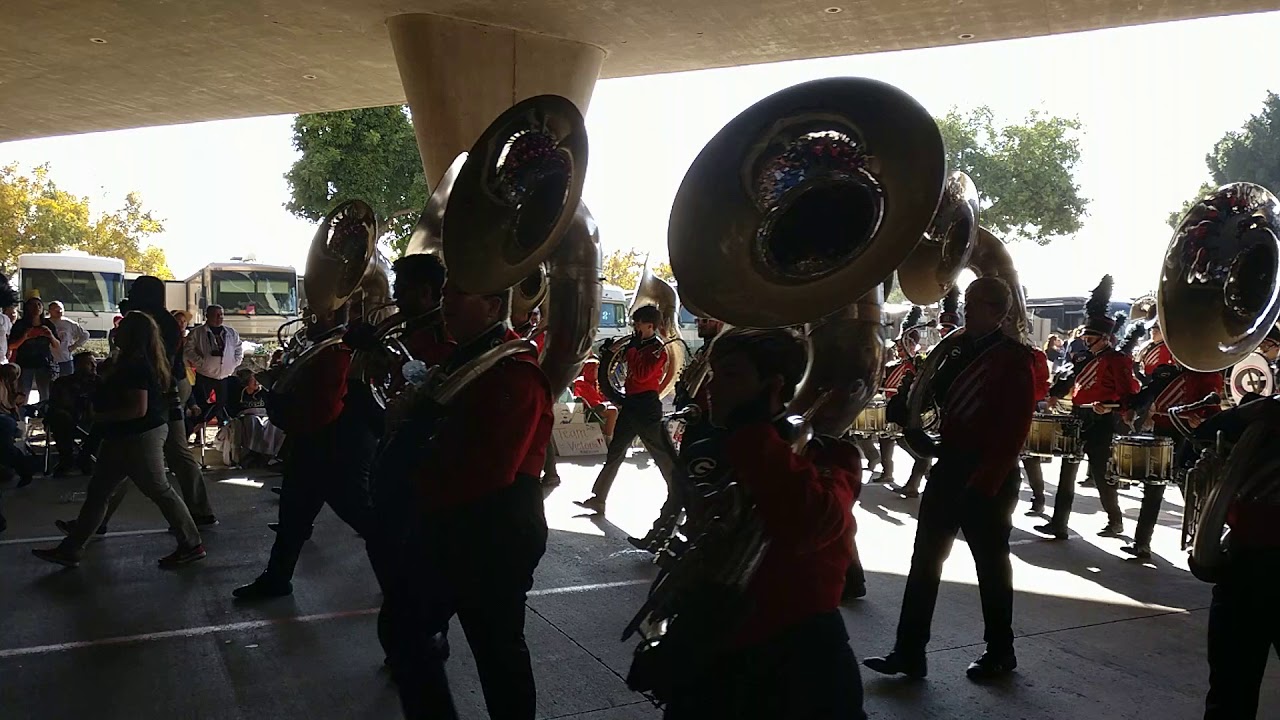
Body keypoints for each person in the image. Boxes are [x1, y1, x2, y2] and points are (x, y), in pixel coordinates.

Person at [651, 327, 866, 719]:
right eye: (713, 374)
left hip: (797, 658)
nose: (712, 387)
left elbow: (812, 523)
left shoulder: (832, 458)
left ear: (773, 387)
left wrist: (755, 434)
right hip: (720, 640)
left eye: (730, 375)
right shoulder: (717, 448)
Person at [387, 282, 551, 719]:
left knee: (497, 654)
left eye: (460, 293)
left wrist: (415, 451)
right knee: (404, 631)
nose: (445, 303)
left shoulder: (512, 371)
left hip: (490, 533)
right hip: (451, 525)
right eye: (443, 292)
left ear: (494, 304)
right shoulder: (466, 359)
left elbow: (484, 472)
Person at [863, 277, 1035, 681]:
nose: (968, 309)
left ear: (999, 312)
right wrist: (906, 405)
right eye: (969, 301)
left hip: (988, 472)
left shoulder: (1014, 358)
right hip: (951, 464)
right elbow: (932, 395)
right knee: (924, 560)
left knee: (990, 565)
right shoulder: (956, 349)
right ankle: (908, 651)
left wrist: (984, 483)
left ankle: (1000, 651)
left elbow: (1014, 431)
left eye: (978, 303)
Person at [33, 312, 206, 568]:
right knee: (99, 491)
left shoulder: (135, 366)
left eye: (123, 328)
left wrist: (100, 416)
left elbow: (138, 409)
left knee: (157, 489)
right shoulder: (135, 362)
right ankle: (72, 548)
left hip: (138, 435)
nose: (117, 331)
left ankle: (191, 543)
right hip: (124, 434)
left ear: (132, 334)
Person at [233, 304, 370, 600]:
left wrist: (280, 405)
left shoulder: (338, 350)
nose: (308, 313)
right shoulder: (323, 347)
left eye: (315, 309)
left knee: (363, 518)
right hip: (315, 447)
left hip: (334, 451)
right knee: (293, 517)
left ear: (331, 314)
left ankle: (404, 580)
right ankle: (277, 578)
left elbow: (321, 410)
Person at [1188, 394, 1280, 719]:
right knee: (1229, 694)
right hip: (1244, 569)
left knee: (1230, 695)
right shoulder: (1268, 414)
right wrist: (1246, 411)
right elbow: (1198, 437)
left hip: (1249, 569)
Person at [1036, 275, 1139, 540]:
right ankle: (1059, 523)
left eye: (1090, 337)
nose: (1085, 341)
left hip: (1101, 418)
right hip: (1077, 416)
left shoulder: (1118, 360)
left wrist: (1113, 408)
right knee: (1067, 471)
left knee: (1103, 476)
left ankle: (1115, 520)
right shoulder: (1083, 358)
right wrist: (1054, 395)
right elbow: (1068, 380)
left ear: (1104, 338)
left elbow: (1130, 392)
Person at [1124, 314, 1223, 559]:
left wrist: (1202, 420)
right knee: (1153, 485)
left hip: (1188, 435)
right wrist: (1128, 407)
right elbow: (1146, 395)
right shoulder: (1164, 372)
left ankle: (1204, 541)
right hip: (1162, 432)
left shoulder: (1207, 374)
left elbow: (1213, 408)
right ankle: (1141, 542)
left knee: (1190, 488)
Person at [630, 315, 724, 551]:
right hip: (696, 423)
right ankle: (659, 535)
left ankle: (672, 537)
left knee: (691, 487)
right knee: (681, 483)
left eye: (707, 320)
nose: (701, 324)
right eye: (700, 320)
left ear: (720, 323)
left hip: (707, 427)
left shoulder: (720, 352)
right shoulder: (707, 349)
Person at [128, 276, 217, 526]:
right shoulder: (158, 318)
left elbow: (153, 358)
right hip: (168, 385)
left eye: (136, 289)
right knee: (165, 451)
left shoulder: (154, 321)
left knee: (160, 450)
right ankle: (200, 510)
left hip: (163, 387)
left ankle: (198, 514)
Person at [575, 305, 678, 515]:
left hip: (646, 407)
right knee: (615, 451)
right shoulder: (639, 345)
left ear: (650, 326)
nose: (635, 326)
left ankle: (680, 494)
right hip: (632, 404)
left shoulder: (657, 350)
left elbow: (641, 374)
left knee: (661, 454)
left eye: (639, 323)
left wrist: (631, 349)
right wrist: (610, 353)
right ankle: (599, 499)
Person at [185, 305, 243, 427]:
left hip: (224, 375)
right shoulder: (197, 332)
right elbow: (188, 350)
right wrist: (201, 363)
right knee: (201, 406)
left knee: (222, 404)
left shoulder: (230, 332)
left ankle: (223, 431)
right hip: (205, 374)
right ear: (207, 316)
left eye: (221, 314)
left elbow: (238, 348)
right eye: (216, 315)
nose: (219, 317)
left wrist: (234, 362)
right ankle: (196, 431)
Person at [45, 351, 100, 476]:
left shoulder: (99, 382)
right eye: (89, 363)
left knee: (102, 424)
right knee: (60, 418)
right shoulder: (63, 382)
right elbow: (55, 404)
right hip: (68, 419)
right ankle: (66, 459)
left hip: (93, 420)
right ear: (78, 365)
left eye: (94, 363)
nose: (94, 366)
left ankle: (85, 458)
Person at [8, 295, 60, 405]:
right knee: (23, 394)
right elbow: (11, 345)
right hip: (25, 364)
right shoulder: (20, 324)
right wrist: (25, 337)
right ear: (27, 308)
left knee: (45, 395)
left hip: (44, 364)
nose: (36, 308)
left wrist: (50, 336)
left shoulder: (48, 324)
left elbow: (57, 345)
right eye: (32, 305)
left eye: (39, 305)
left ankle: (43, 416)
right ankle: (21, 418)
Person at [1023, 336, 1053, 515]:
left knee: (1029, 455)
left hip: (1025, 407)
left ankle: (1038, 497)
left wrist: (1027, 396)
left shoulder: (1035, 355)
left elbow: (1043, 384)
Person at [47, 300, 90, 377]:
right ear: (50, 310)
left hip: (66, 360)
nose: (59, 311)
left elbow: (85, 335)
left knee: (67, 384)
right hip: (48, 361)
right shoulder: (45, 323)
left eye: (61, 309)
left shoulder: (70, 323)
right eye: (56, 309)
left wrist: (75, 346)